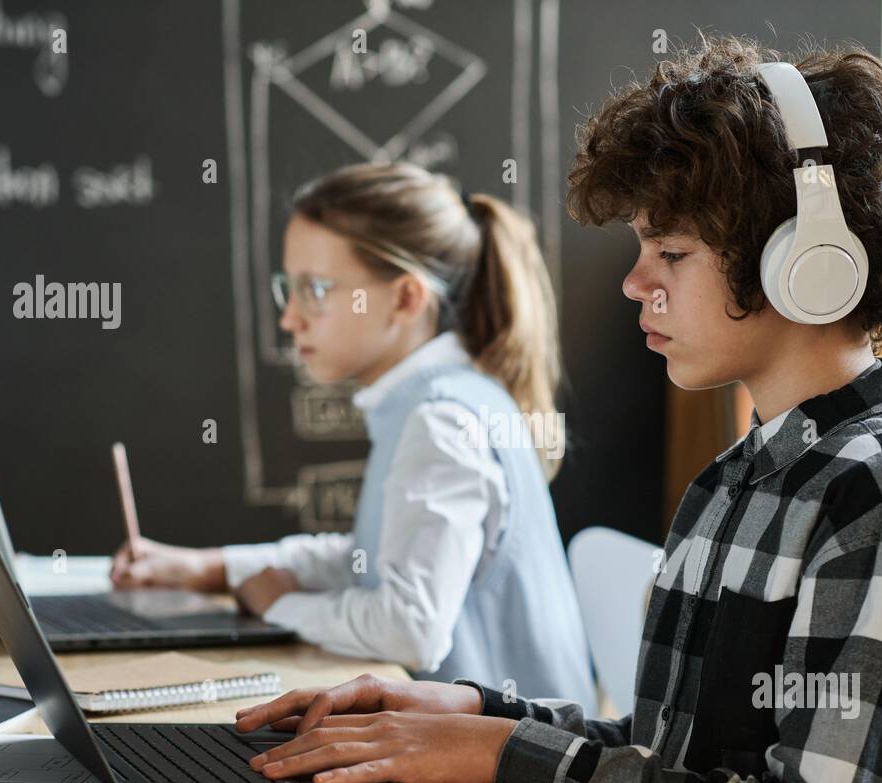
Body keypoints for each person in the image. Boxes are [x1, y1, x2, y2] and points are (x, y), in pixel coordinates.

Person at [231, 35, 882, 783]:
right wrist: (464, 710)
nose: (635, 282)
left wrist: (502, 755)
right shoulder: (740, 479)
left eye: (671, 253)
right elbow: (671, 757)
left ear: (805, 264)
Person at [111, 162, 595, 709]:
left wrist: (281, 606)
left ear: (406, 299)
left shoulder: (441, 420)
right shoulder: (441, 397)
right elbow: (373, 557)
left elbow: (412, 628)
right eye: (286, 289)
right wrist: (213, 570)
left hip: (516, 775)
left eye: (315, 290)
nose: (291, 318)